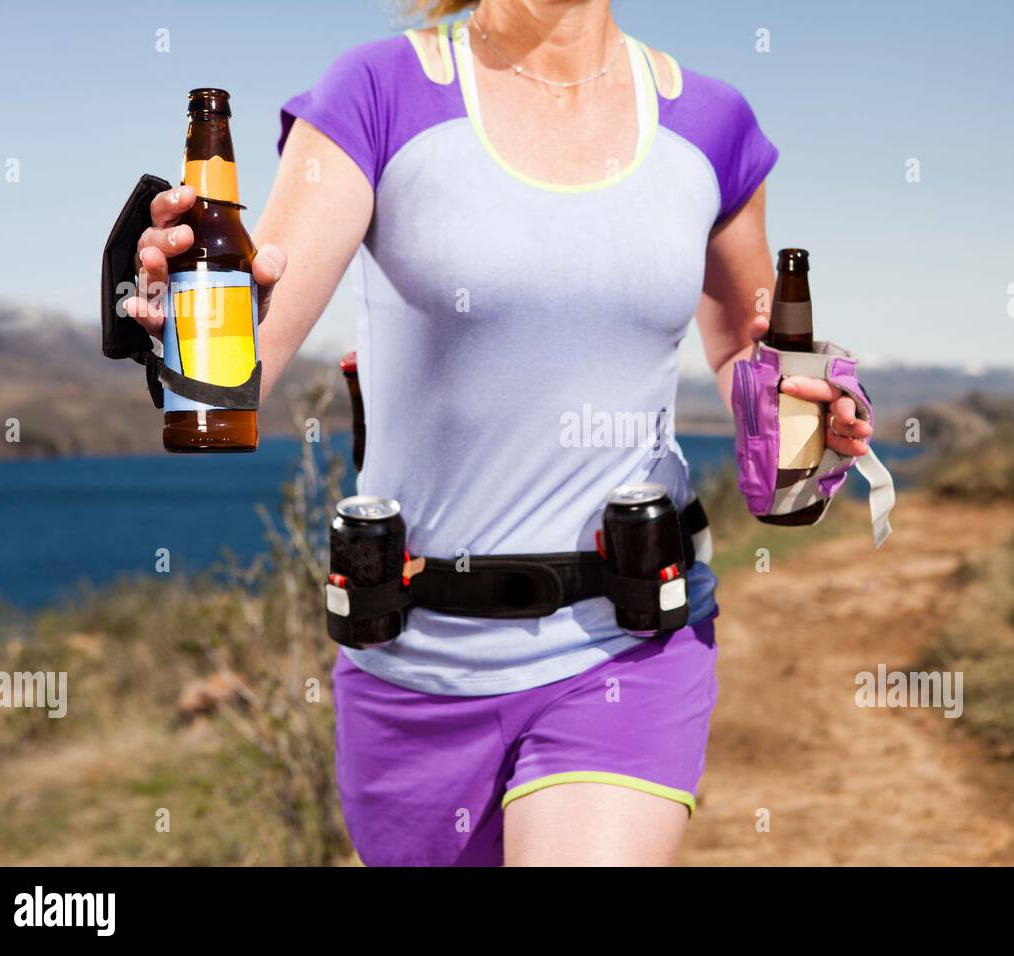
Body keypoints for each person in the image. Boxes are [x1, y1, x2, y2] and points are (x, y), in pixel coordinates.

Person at [124, 0, 872, 866]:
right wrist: (166, 310)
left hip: (626, 644)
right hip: (412, 666)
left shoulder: (710, 122)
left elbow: (749, 341)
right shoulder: (377, 91)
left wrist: (812, 406)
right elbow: (244, 345)